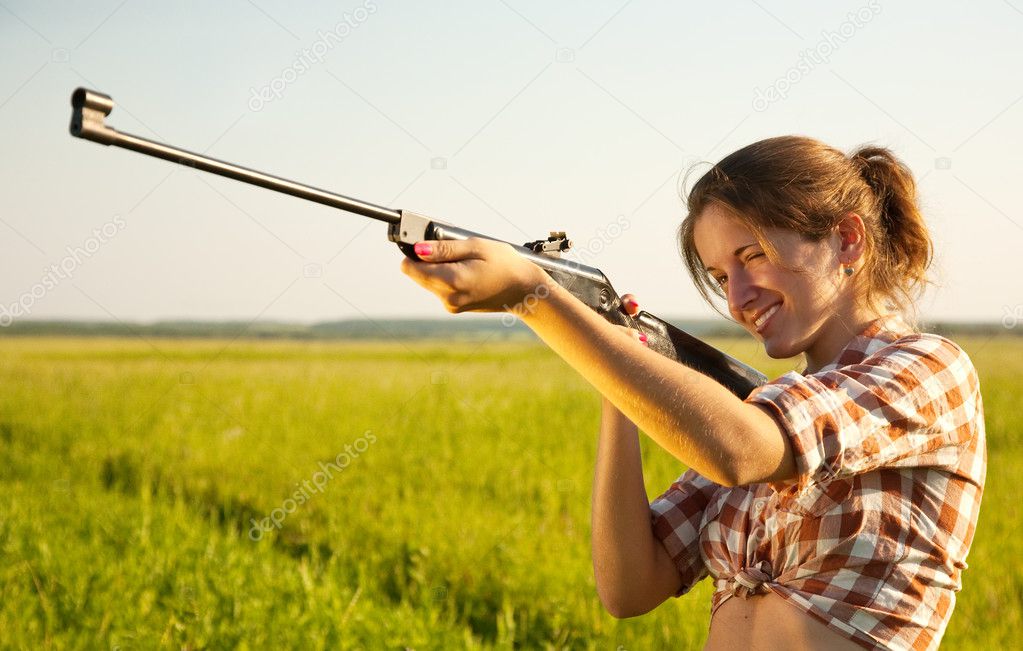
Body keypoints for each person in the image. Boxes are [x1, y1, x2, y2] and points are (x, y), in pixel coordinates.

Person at [399, 135, 986, 650]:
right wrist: (618, 379)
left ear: (848, 240)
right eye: (720, 276)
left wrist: (538, 296)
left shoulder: (930, 369)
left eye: (752, 254)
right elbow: (630, 586)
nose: (738, 298)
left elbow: (739, 451)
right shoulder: (760, 405)